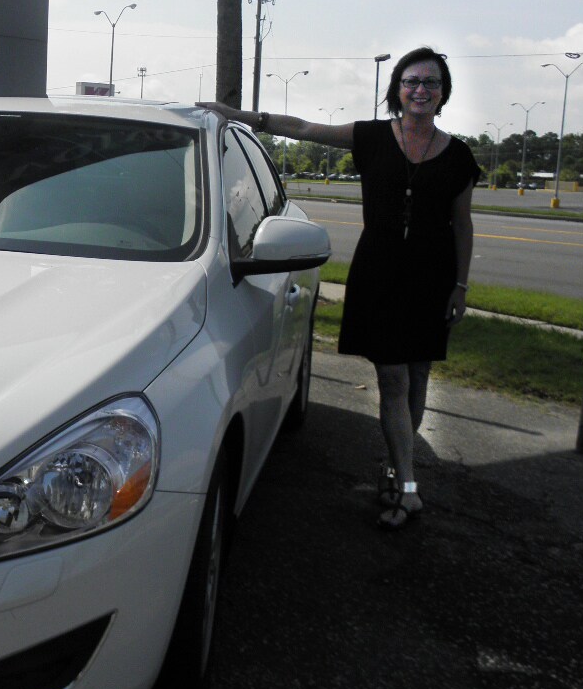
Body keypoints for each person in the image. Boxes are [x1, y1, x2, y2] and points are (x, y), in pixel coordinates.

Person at [200, 46, 478, 529]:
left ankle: (396, 470)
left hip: (432, 280)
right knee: (392, 380)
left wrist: (460, 285)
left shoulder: (458, 156)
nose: (420, 90)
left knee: (416, 381)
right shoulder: (371, 137)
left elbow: (462, 225)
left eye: (431, 83)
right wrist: (239, 116)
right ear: (397, 89)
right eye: (412, 81)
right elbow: (305, 129)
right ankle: (408, 488)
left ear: (442, 93)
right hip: (381, 274)